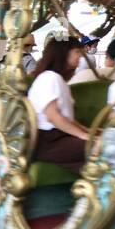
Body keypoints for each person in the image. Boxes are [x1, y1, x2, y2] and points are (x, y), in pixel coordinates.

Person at [26, 38, 89, 172]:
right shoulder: (50, 78)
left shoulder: (55, 78)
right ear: (63, 53)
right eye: (77, 51)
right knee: (103, 146)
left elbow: (68, 119)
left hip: (56, 137)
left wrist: (88, 131)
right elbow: (53, 117)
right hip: (49, 141)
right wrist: (84, 136)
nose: (80, 56)